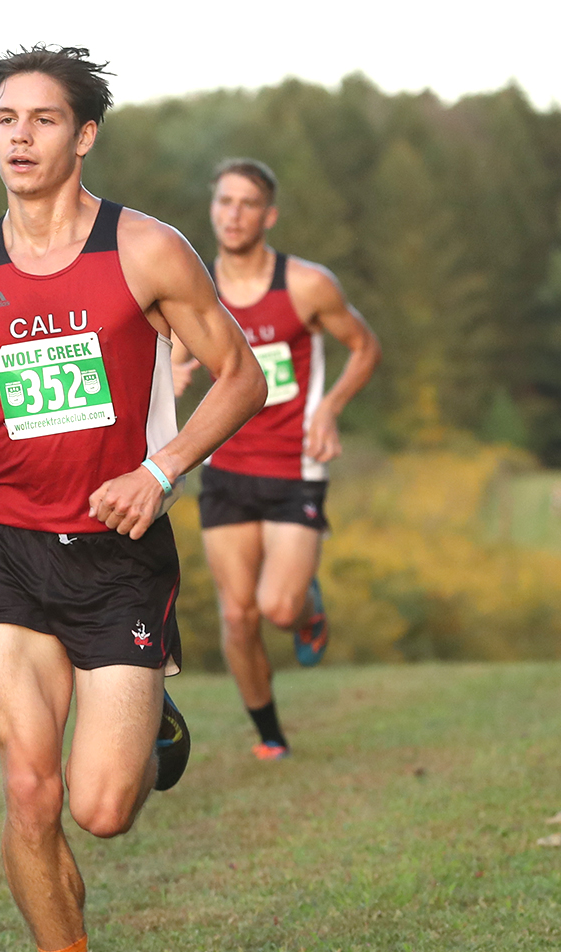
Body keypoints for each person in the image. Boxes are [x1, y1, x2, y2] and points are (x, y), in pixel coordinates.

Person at [0, 46, 266, 952]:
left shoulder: (146, 251)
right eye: (6, 117)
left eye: (43, 119)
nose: (19, 136)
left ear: (84, 134)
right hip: (11, 556)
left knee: (101, 810)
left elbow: (240, 378)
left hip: (122, 558)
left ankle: (152, 722)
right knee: (27, 783)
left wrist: (162, 467)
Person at [173, 158, 382, 758]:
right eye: (223, 202)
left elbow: (365, 347)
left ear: (269, 215)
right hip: (225, 466)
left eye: (246, 203)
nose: (232, 214)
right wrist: (174, 370)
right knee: (237, 618)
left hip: (295, 466)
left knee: (277, 607)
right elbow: (166, 351)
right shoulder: (193, 288)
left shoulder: (307, 285)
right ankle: (270, 737)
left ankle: (305, 604)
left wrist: (331, 406)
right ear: (212, 209)